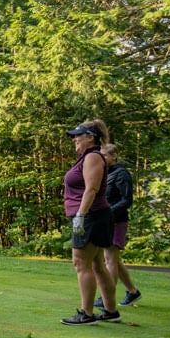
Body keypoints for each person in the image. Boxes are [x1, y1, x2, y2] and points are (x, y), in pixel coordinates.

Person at [60, 119, 121, 325]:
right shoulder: (87, 157)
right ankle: (111, 311)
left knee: (81, 263)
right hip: (95, 215)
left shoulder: (92, 157)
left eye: (78, 135)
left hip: (91, 216)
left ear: (90, 137)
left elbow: (91, 189)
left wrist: (81, 215)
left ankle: (86, 314)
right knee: (97, 264)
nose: (74, 139)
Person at [97, 143, 141, 307]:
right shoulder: (104, 173)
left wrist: (109, 212)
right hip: (104, 220)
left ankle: (107, 297)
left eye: (105, 156)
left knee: (110, 258)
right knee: (113, 259)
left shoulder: (122, 174)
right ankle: (132, 292)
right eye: (101, 156)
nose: (102, 159)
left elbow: (126, 200)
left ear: (114, 156)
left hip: (117, 220)